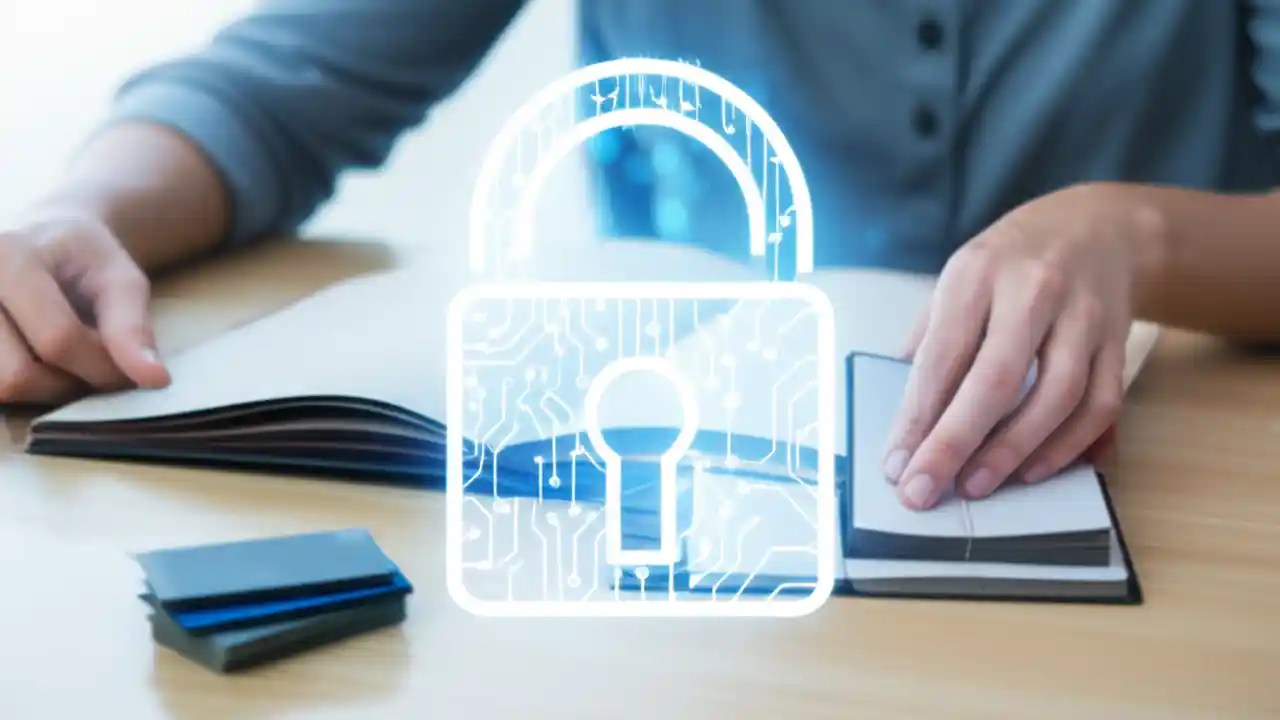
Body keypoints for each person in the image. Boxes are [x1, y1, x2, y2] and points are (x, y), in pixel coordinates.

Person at [2, 1, 1278, 510]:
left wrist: (1137, 231)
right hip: (667, 498)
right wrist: (87, 210)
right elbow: (283, 91)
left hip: (1166, 498)